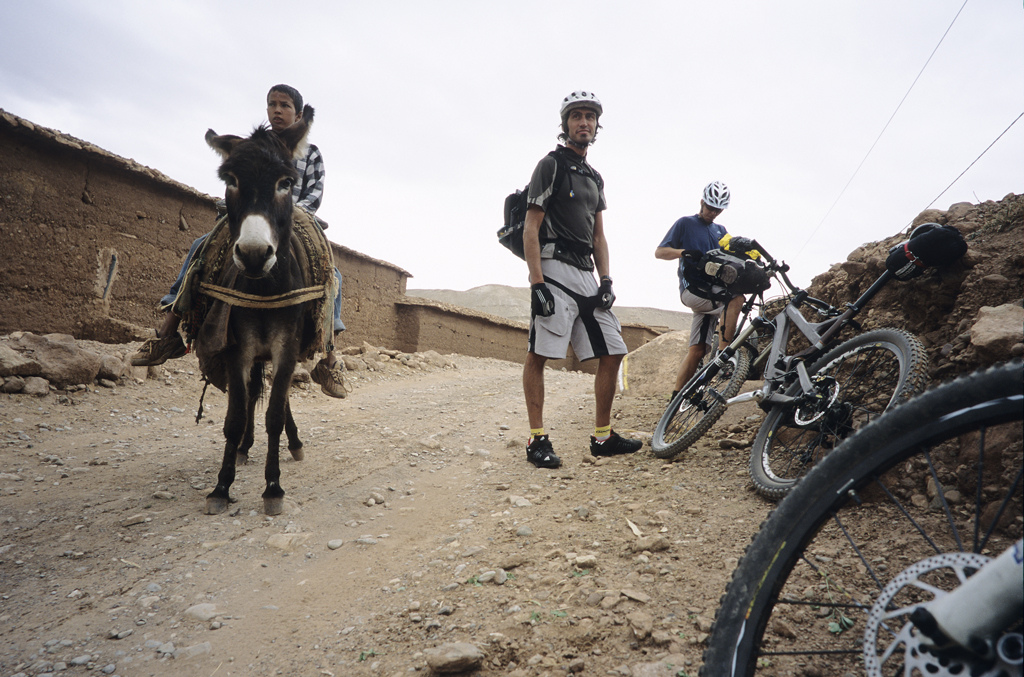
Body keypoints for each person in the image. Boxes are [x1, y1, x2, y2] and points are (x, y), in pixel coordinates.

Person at [131, 84, 349, 398]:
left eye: (284, 105)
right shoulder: (248, 148)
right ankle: (168, 334)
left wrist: (287, 208)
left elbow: (314, 194)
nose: (277, 110)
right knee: (200, 247)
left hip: (293, 217)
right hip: (252, 217)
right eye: (272, 104)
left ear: (299, 115)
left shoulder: (310, 153)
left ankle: (329, 358)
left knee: (333, 274)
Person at [521, 90, 643, 469]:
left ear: (596, 125)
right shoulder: (550, 165)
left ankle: (602, 436)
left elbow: (598, 235)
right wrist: (537, 282)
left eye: (590, 116)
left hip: (587, 274)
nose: (584, 122)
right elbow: (531, 226)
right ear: (566, 124)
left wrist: (606, 280)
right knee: (540, 354)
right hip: (553, 267)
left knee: (614, 350)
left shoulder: (594, 177)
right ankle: (537, 439)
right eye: (577, 116)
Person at [655, 181, 745, 397]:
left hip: (712, 291)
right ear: (702, 202)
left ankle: (676, 398)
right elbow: (660, 252)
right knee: (735, 299)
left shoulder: (720, 230)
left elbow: (731, 257)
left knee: (698, 351)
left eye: (718, 210)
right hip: (692, 290)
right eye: (710, 207)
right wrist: (684, 252)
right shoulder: (685, 224)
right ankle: (724, 357)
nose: (713, 213)